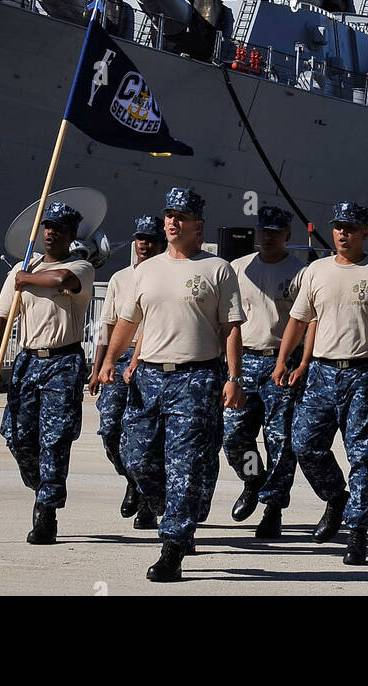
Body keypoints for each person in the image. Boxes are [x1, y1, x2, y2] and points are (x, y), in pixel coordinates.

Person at [99, 187, 245, 583]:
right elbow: (128, 321)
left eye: (181, 216)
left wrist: (234, 378)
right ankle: (175, 509)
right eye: (169, 214)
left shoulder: (217, 269)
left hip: (196, 377)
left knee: (185, 462)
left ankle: (174, 546)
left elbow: (231, 328)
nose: (172, 221)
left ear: (199, 225)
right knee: (137, 456)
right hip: (147, 375)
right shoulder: (146, 270)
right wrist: (111, 361)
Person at [274, 201, 368, 567]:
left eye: (351, 227)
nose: (343, 233)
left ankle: (357, 532)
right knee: (304, 444)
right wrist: (284, 359)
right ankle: (336, 497)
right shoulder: (316, 271)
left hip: (363, 372)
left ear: (365, 231)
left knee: (363, 455)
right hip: (320, 373)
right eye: (338, 227)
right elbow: (298, 320)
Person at [0, 200, 94, 545]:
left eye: (59, 228)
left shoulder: (80, 266)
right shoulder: (22, 266)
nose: (51, 233)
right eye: (47, 226)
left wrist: (24, 278)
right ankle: (40, 484)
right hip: (28, 360)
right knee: (16, 434)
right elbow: (1, 318)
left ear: (71, 235)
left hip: (63, 361)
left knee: (55, 440)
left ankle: (46, 511)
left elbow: (62, 279)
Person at [223, 204, 306, 541]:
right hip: (244, 362)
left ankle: (273, 507)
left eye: (275, 232)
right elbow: (228, 321)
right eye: (264, 231)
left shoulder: (300, 273)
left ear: (287, 235)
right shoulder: (237, 269)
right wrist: (230, 371)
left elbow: (305, 321)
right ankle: (253, 480)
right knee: (234, 437)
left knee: (280, 441)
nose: (268, 237)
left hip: (279, 365)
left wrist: (298, 363)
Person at [88, 215, 166, 526]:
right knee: (110, 430)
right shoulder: (121, 278)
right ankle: (132, 481)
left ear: (161, 242)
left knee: (149, 436)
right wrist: (97, 367)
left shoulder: (165, 275)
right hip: (119, 358)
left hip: (151, 360)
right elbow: (107, 326)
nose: (144, 244)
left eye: (150, 238)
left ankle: (149, 499)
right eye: (140, 238)